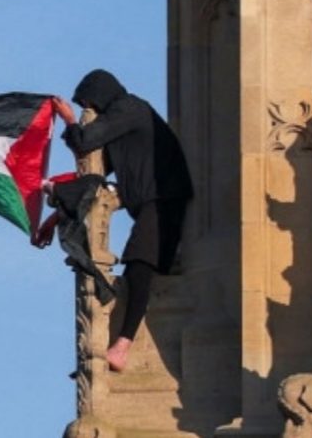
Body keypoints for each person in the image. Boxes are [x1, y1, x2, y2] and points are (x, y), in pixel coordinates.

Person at [34, 69, 193, 372]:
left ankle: (122, 345)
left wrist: (68, 118)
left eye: (89, 104)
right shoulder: (123, 121)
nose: (88, 112)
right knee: (140, 264)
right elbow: (93, 177)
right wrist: (54, 218)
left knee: (138, 267)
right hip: (151, 199)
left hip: (163, 199)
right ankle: (122, 342)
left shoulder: (128, 108)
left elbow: (85, 141)